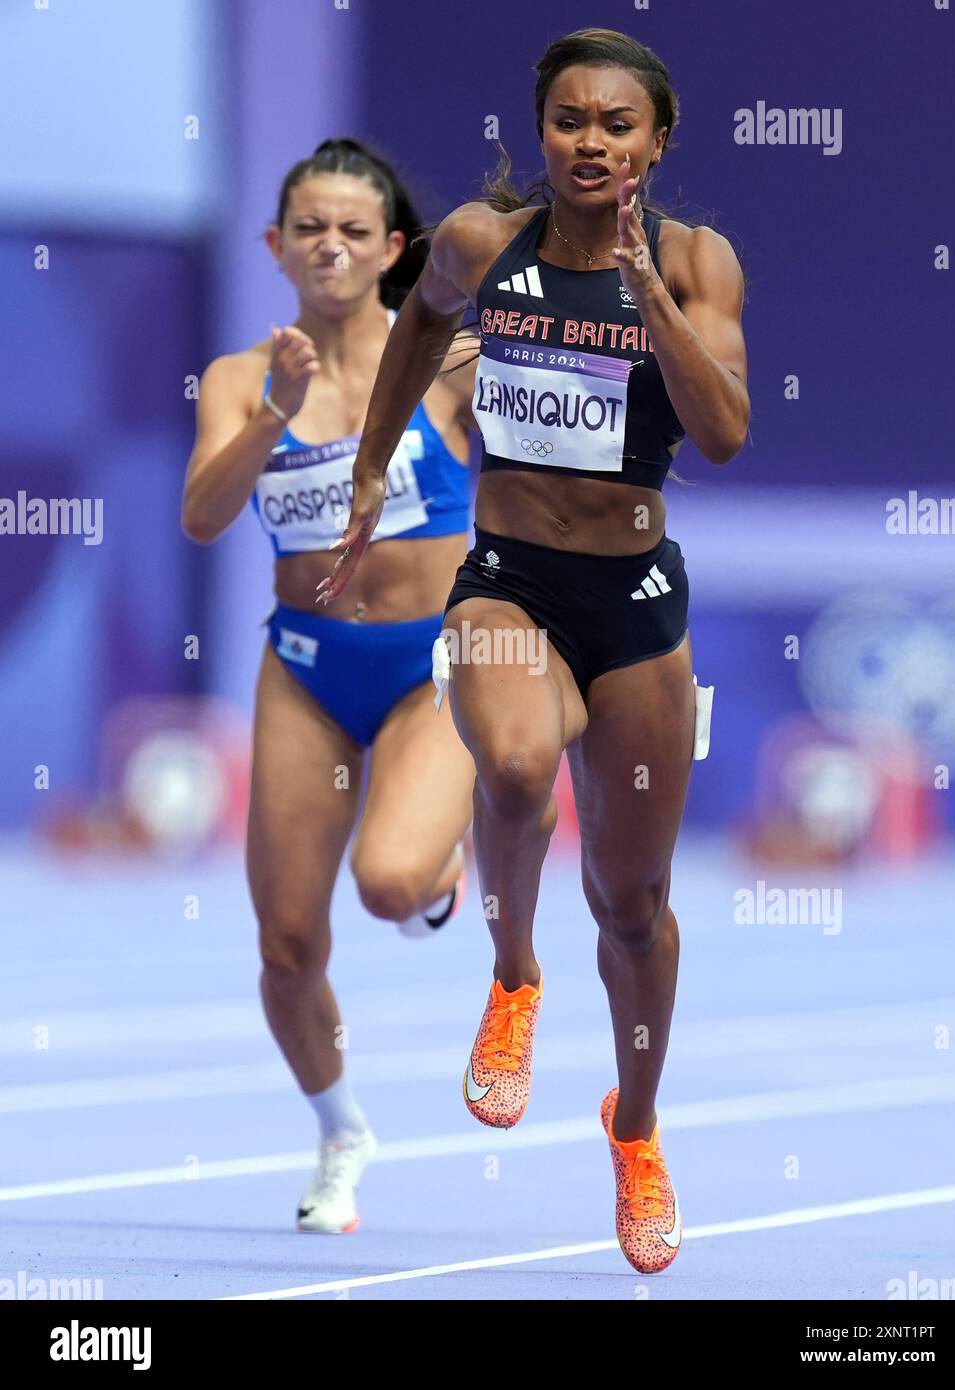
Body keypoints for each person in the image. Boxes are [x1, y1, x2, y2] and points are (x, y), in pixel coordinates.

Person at [318, 29, 749, 1273]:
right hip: (506, 577)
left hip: (636, 598)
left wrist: (650, 298)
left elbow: (722, 431)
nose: (593, 142)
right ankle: (511, 977)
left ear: (655, 143)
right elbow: (417, 329)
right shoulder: (474, 242)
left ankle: (636, 1127)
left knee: (633, 907)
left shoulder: (695, 260)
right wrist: (368, 464)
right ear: (541, 134)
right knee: (511, 765)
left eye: (618, 125)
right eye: (570, 120)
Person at [181, 138, 478, 1235]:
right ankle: (343, 1132)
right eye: (310, 227)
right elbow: (202, 518)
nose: (332, 246)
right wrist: (274, 409)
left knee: (392, 885)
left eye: (356, 229)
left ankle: (443, 861)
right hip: (305, 669)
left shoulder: (449, 361)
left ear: (393, 247)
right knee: (288, 944)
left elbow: (564, 460)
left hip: (428, 668)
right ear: (276, 245)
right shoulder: (235, 378)